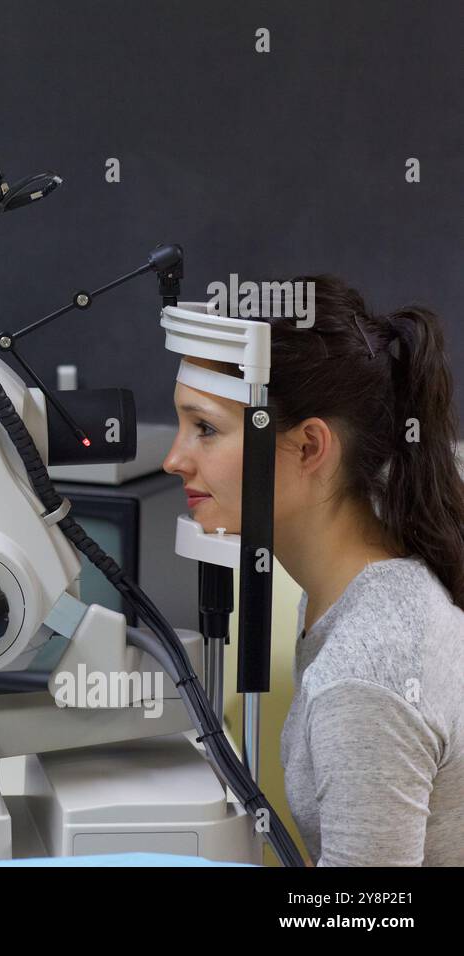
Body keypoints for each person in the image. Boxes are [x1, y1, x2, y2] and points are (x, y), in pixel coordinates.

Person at [163, 275, 464, 865]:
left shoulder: (366, 673)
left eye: (205, 428)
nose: (174, 459)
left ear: (308, 448)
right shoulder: (361, 588)